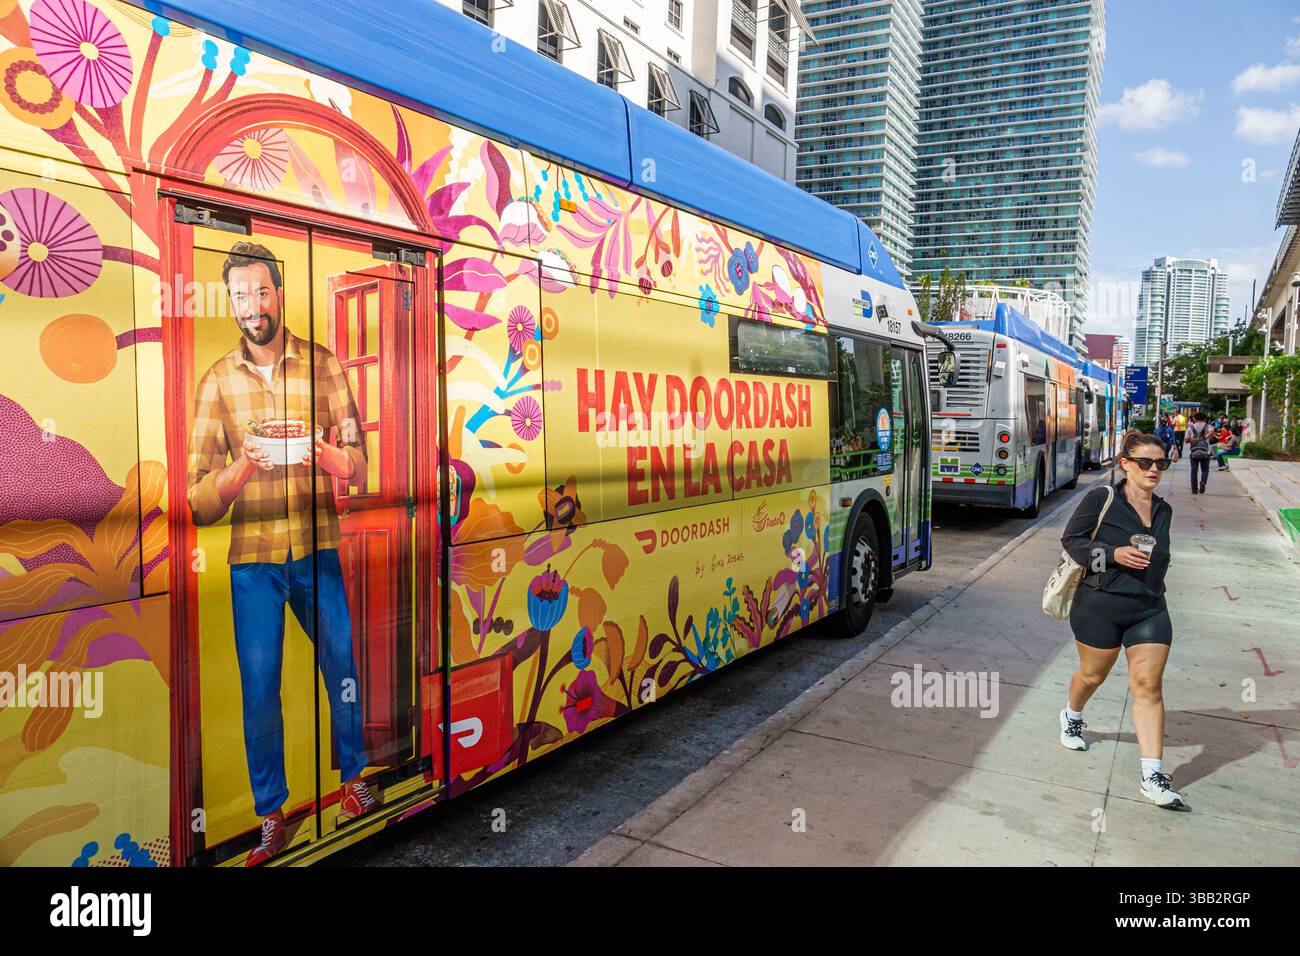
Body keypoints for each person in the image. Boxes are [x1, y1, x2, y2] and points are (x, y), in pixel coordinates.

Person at [188, 241, 379, 866]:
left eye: (262, 292)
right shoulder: (216, 381)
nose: (253, 307)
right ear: (232, 302)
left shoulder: (324, 367)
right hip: (254, 561)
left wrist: (325, 454)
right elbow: (198, 501)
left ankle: (353, 782)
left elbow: (360, 465)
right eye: (241, 296)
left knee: (343, 667)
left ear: (279, 292)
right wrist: (245, 466)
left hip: (317, 548)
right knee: (259, 690)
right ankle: (272, 815)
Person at [1058, 430, 1185, 809]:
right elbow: (1073, 542)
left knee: (1147, 686)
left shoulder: (1164, 509)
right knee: (1092, 675)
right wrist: (1114, 555)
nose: (1153, 470)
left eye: (1160, 464)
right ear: (1125, 463)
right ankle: (1072, 714)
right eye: (1144, 462)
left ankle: (1151, 776)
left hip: (1149, 607)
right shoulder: (1103, 498)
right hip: (1099, 604)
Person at [1185, 411, 1214, 494]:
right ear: (1205, 419)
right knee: (1205, 470)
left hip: (1193, 452)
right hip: (1205, 452)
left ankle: (1194, 489)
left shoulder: (1190, 427)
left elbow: (1186, 440)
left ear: (1195, 418)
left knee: (1194, 470)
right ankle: (1203, 482)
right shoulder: (1208, 426)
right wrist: (1205, 437)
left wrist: (1194, 439)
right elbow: (1212, 431)